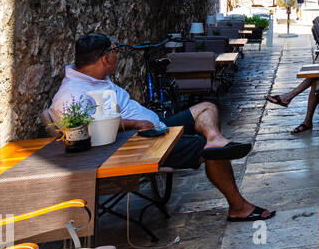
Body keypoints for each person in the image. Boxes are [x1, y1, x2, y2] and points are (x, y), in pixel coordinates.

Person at [50, 33, 274, 222]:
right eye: (115, 52)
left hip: (155, 127)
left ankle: (214, 137)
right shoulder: (72, 94)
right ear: (106, 58)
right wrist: (132, 123)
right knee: (210, 151)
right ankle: (238, 206)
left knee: (206, 107)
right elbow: (81, 130)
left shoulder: (95, 78)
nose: (117, 56)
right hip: (141, 142)